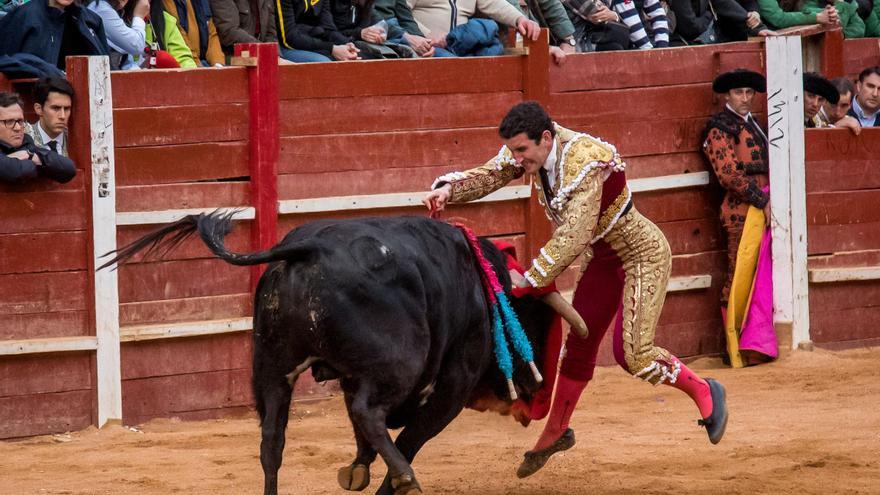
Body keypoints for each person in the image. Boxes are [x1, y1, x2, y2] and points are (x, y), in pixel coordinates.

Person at [424, 101, 729, 478]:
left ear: (546, 138)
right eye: (515, 151)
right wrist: (449, 190)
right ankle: (556, 431)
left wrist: (534, 278)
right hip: (602, 260)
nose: (518, 160)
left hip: (641, 255)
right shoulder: (530, 149)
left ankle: (704, 390)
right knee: (579, 348)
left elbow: (576, 233)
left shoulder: (586, 160)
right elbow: (493, 173)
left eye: (522, 151)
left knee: (633, 353)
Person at [702, 69, 778, 366]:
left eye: (749, 93)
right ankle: (734, 347)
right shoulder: (719, 128)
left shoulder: (755, 126)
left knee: (762, 277)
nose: (745, 98)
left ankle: (755, 344)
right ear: (726, 96)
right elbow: (730, 176)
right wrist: (763, 200)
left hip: (762, 208)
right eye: (739, 93)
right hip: (740, 213)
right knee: (738, 276)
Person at [0, 0, 110, 71]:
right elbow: (5, 61)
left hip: (85, 96)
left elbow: (106, 66)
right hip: (35, 97)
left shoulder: (90, 20)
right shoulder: (24, 16)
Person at [0, 92, 76, 184]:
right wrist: (35, 163)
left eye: (20, 121)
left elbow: (69, 168)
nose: (18, 128)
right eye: (9, 122)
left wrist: (30, 155)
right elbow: (19, 172)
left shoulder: (25, 143)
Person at [276, 0, 361, 62]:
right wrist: (331, 48)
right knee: (325, 63)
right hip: (284, 48)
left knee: (358, 55)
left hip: (313, 41)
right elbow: (289, 38)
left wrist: (345, 44)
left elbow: (328, 28)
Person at [86, 0, 150, 70]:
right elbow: (136, 45)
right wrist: (139, 17)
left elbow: (129, 61)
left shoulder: (118, 10)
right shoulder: (100, 8)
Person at [163, 0, 226, 66]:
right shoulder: (169, 2)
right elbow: (180, 36)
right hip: (188, 63)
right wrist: (198, 66)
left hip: (205, 64)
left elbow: (211, 33)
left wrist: (218, 64)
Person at [24, 77, 75, 158]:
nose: (63, 116)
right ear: (39, 109)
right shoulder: (23, 138)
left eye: (66, 109)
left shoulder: (76, 141)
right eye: (56, 108)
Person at [208, 0, 277, 58]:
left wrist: (275, 54)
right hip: (233, 55)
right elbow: (229, 31)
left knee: (283, 67)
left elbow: (271, 31)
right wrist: (264, 50)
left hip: (262, 52)